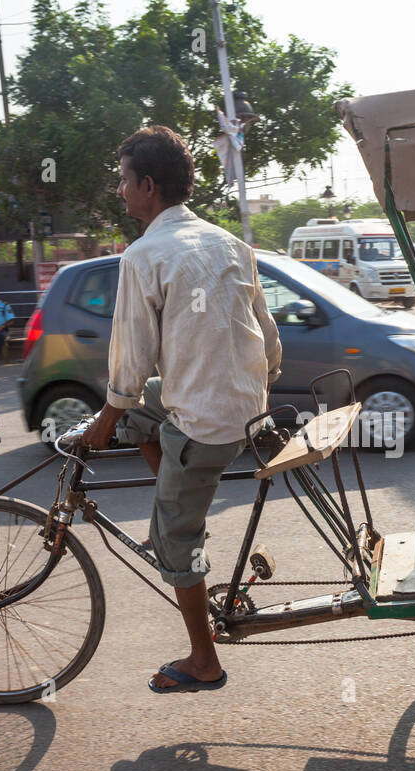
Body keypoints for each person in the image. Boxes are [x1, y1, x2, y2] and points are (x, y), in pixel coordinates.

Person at [82, 125, 282, 694]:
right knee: (145, 412)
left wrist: (103, 424)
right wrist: (259, 378)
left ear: (147, 185)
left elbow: (130, 361)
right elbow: (266, 334)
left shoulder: (143, 256)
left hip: (208, 425)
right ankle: (175, 520)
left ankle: (204, 660)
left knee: (173, 533)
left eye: (124, 181)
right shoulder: (227, 243)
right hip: (249, 407)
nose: (120, 192)